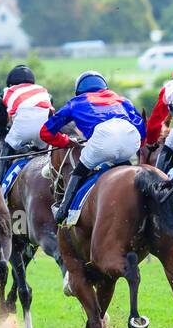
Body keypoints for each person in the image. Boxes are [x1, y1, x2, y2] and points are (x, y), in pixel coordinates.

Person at [40, 71, 145, 225]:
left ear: (79, 90)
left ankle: (63, 212)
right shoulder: (123, 100)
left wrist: (66, 141)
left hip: (103, 139)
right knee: (126, 168)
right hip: (131, 138)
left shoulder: (75, 103)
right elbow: (142, 128)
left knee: (79, 172)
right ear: (104, 86)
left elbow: (45, 132)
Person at [0, 64, 53, 169]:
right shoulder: (43, 91)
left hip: (22, 131)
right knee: (48, 155)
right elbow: (50, 115)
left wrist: (2, 131)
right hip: (44, 132)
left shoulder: (7, 91)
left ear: (11, 83)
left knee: (7, 145)